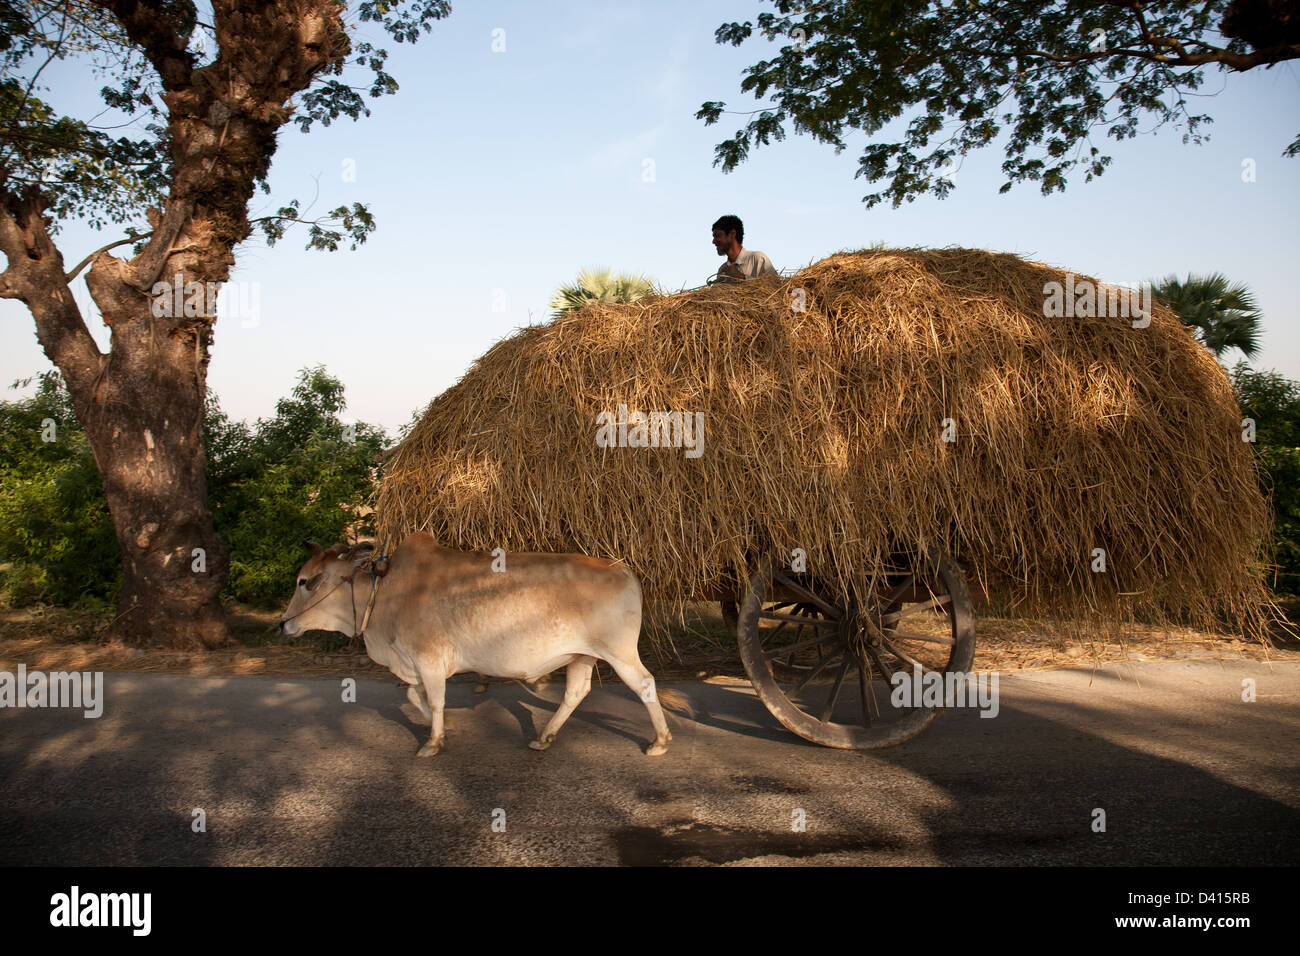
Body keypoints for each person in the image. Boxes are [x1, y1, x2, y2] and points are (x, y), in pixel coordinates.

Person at [711, 214, 777, 281]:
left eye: (717, 236)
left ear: (732, 234)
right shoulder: (722, 270)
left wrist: (742, 277)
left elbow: (777, 287)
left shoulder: (758, 259)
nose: (713, 241)